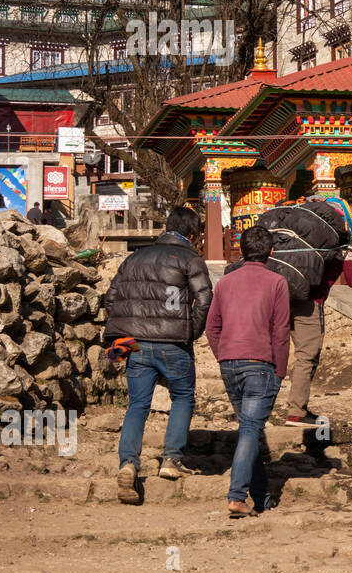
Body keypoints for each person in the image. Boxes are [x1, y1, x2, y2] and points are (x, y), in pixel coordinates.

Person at [103, 206, 213, 505]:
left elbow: (111, 297)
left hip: (134, 343)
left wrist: (123, 335)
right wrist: (192, 331)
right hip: (173, 343)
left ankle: (128, 463)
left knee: (138, 404)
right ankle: (171, 460)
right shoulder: (190, 259)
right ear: (192, 234)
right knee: (183, 397)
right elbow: (204, 297)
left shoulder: (134, 258)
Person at [205, 225, 291, 518]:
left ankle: (261, 495)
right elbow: (281, 331)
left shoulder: (225, 283)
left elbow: (211, 327)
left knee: (249, 431)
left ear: (240, 251)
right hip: (261, 365)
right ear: (271, 251)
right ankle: (236, 496)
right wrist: (280, 369)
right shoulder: (278, 282)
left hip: (230, 364)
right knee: (251, 429)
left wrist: (223, 354)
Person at [285, 203, 352, 427]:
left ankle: (260, 407)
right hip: (309, 303)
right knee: (307, 355)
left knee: (276, 352)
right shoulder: (346, 242)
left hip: (278, 295)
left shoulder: (299, 237)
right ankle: (296, 412)